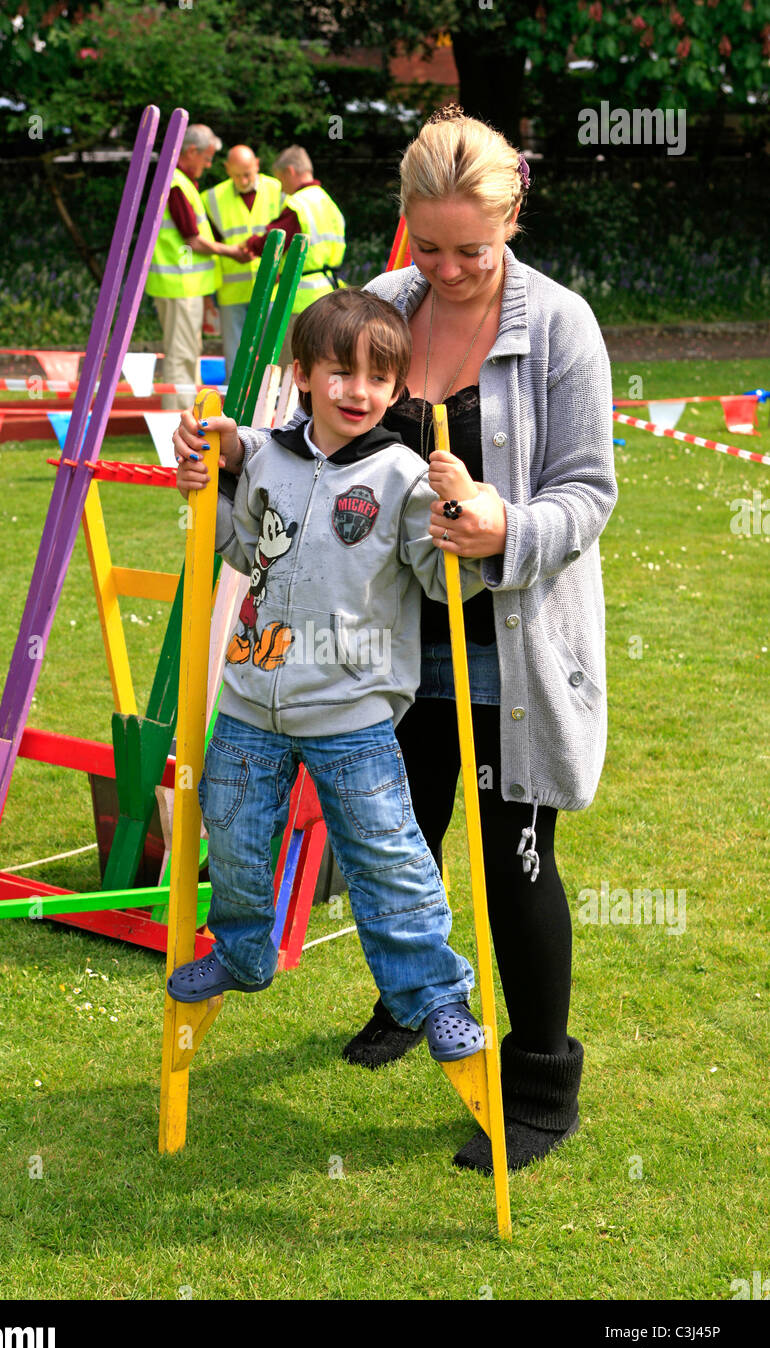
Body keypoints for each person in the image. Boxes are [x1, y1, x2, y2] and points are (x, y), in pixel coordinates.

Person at [173, 106, 618, 1177]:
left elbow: (587, 493)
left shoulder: (559, 327)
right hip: (385, 642)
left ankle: (540, 1080)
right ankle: (408, 999)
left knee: (516, 859)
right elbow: (305, 444)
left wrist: (504, 524)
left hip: (508, 639)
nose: (449, 267)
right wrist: (230, 451)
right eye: (427, 244)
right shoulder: (380, 311)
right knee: (394, 837)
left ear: (514, 215)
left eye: (473, 247)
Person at [167, 289, 491, 1078]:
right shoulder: (270, 457)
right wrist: (214, 475)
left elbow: (449, 589)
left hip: (351, 710)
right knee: (235, 838)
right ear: (303, 373)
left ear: (397, 389)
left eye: (378, 379)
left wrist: (464, 517)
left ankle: (435, 996)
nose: (358, 391)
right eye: (339, 372)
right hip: (250, 699)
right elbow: (246, 551)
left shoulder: (406, 475)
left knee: (388, 856)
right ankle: (244, 952)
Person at [145, 125, 253, 410]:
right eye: (206, 158)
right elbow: (192, 239)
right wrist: (231, 251)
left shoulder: (179, 182)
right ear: (190, 151)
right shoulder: (177, 184)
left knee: (186, 353)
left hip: (184, 285)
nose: (208, 165)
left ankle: (183, 415)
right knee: (182, 355)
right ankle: (178, 418)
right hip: (179, 285)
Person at [243, 145, 345, 369]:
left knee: (290, 366)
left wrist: (250, 244)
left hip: (299, 300)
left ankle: (289, 406)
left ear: (290, 171)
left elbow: (274, 242)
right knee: (319, 365)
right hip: (331, 295)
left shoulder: (298, 204)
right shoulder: (328, 203)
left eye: (281, 179)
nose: (282, 187)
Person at [203, 145, 284, 381]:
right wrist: (208, 294)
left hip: (271, 288)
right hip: (231, 291)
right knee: (235, 360)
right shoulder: (211, 198)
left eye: (247, 173)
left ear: (257, 164)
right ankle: (231, 415)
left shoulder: (278, 190)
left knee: (272, 359)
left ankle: (272, 411)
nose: (243, 179)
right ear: (226, 169)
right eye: (237, 174)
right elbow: (208, 248)